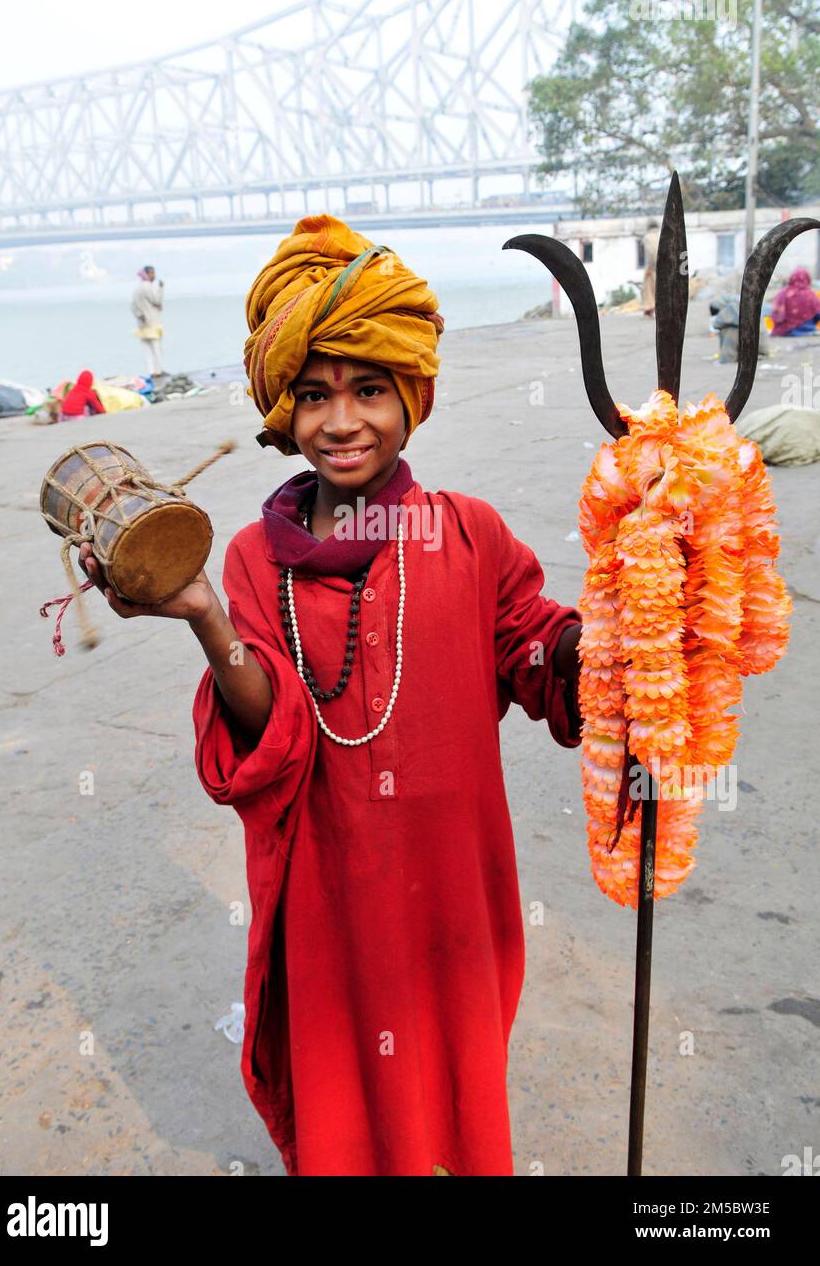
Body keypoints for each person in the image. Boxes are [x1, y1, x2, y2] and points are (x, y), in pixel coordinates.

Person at [78, 215, 583, 1177]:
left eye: (367, 390)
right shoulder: (250, 557)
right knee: (347, 1111)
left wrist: (605, 649)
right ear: (282, 410)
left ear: (412, 396)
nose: (341, 421)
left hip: (451, 890)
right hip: (328, 890)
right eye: (312, 395)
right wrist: (204, 618)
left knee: (453, 1098)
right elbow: (267, 738)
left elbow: (538, 650)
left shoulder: (467, 533)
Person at [131, 266, 167, 376]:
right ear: (146, 274)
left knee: (146, 349)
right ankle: (159, 371)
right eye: (151, 273)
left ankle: (151, 372)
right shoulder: (147, 286)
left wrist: (139, 315)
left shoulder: (137, 289)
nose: (153, 275)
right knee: (156, 348)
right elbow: (156, 299)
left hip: (142, 324)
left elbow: (133, 306)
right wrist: (161, 288)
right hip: (152, 321)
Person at [769, 267, 820, 337]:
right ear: (807, 279)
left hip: (785, 331)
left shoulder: (782, 293)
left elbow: (775, 315)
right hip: (808, 330)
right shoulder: (810, 295)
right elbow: (818, 315)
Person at [641, 218, 659, 316]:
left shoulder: (648, 237)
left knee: (649, 288)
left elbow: (650, 253)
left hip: (652, 266)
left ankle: (649, 308)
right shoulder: (660, 235)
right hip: (662, 265)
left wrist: (649, 267)